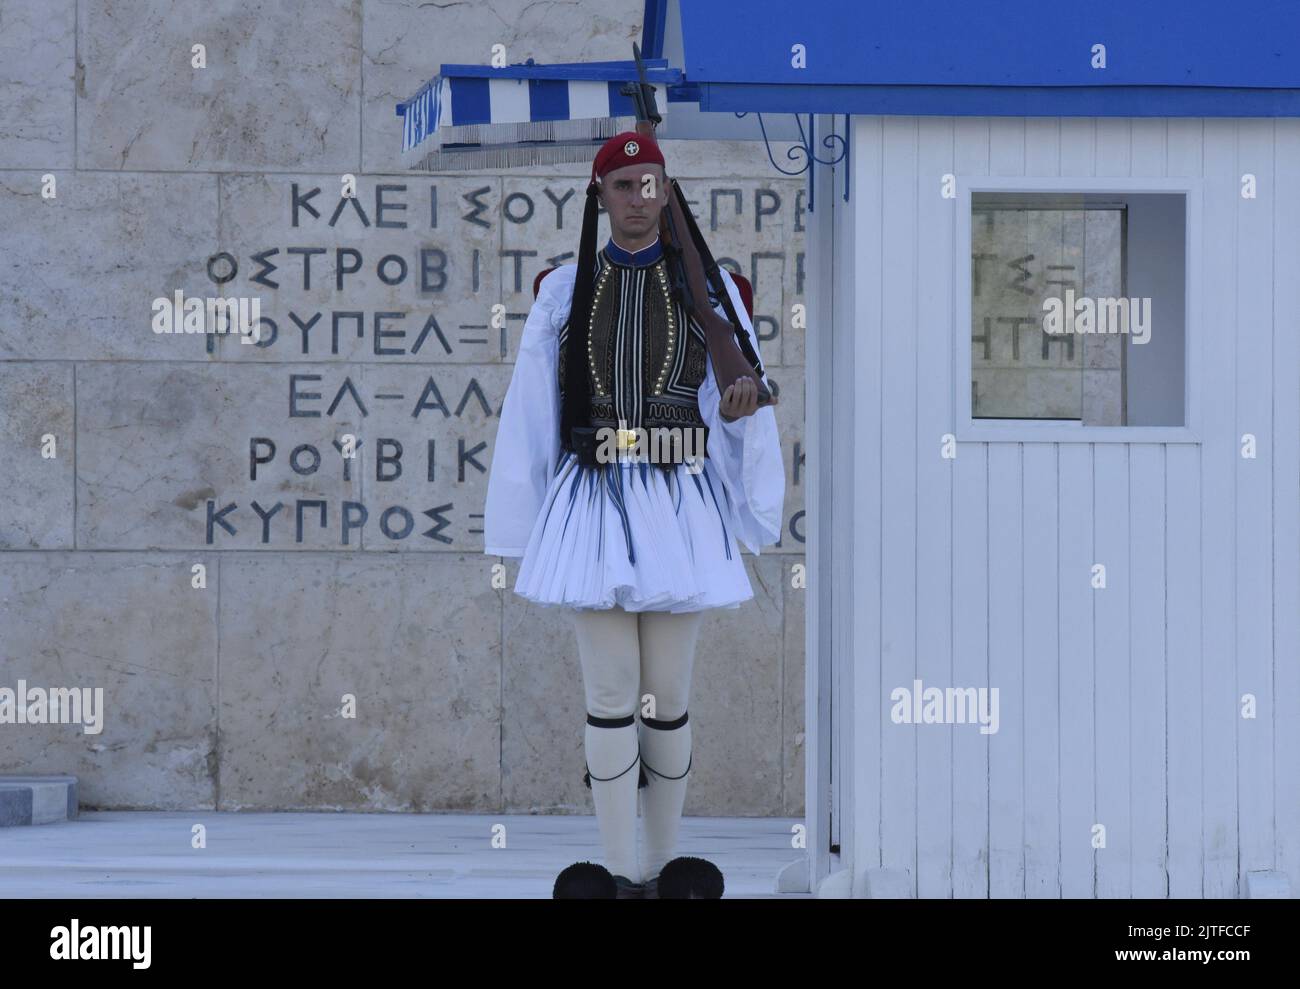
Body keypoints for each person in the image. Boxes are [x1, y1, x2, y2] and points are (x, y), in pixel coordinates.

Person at [483, 131, 785, 898]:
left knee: (669, 696)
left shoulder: (713, 290)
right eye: (625, 186)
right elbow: (531, 410)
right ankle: (617, 871)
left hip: (678, 501)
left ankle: (662, 866)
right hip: (592, 499)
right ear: (600, 195)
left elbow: (741, 404)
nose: (640, 200)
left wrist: (745, 419)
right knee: (613, 694)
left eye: (652, 185)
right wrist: (525, 517)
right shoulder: (562, 290)